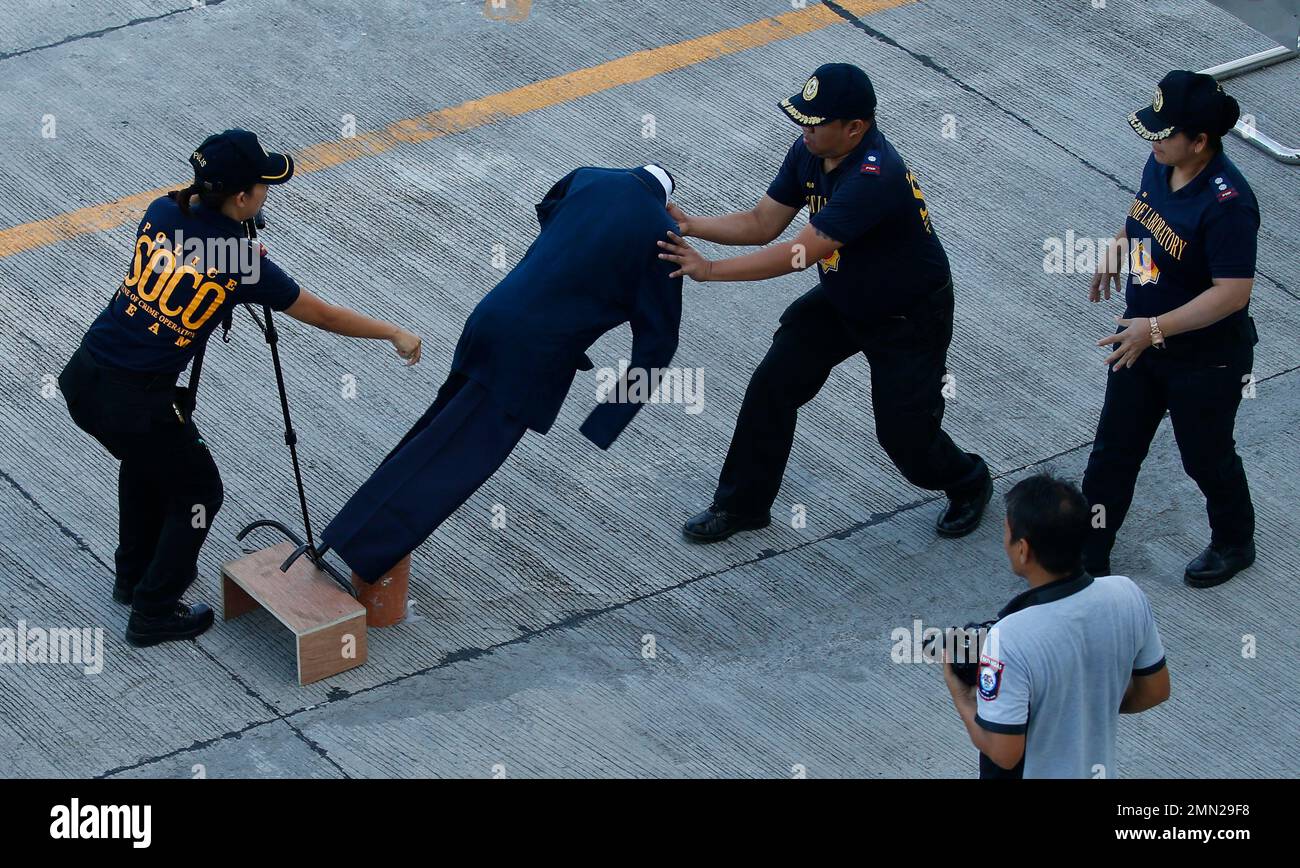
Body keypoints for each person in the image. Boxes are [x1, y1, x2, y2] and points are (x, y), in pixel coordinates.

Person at [59, 129, 423, 647]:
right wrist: (392, 331)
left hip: (86, 374)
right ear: (241, 197)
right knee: (200, 491)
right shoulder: (240, 261)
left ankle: (133, 576)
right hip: (135, 400)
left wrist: (238, 260)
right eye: (261, 186)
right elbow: (319, 314)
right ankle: (154, 610)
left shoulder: (162, 210)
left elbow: (198, 256)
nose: (266, 193)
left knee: (144, 461)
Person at [658, 63, 992, 543]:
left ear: (854, 128)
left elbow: (797, 254)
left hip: (906, 316)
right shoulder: (811, 150)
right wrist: (692, 226)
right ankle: (742, 506)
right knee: (773, 384)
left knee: (905, 439)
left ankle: (967, 480)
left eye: (815, 122)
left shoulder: (875, 177)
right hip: (843, 297)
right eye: (802, 119)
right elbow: (762, 222)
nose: (804, 129)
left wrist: (709, 270)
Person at [318, 164, 683, 587]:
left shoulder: (589, 176)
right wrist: (608, 419)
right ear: (667, 200)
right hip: (530, 357)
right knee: (453, 463)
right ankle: (361, 550)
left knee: (433, 436)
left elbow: (548, 209)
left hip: (490, 320)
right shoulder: (663, 236)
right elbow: (658, 342)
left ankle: (348, 536)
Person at [1083, 70, 1259, 588]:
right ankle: (1091, 552)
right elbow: (1145, 212)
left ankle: (1234, 541)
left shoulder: (1229, 205)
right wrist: (1121, 241)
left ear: (1200, 141)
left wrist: (1154, 328)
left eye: (1165, 133)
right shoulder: (1162, 162)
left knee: (1205, 458)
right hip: (1140, 341)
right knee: (1112, 453)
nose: (1153, 141)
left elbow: (1233, 292)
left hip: (1204, 359)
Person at [942, 474, 1170, 779]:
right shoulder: (1126, 594)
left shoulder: (1009, 637)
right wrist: (1087, 706)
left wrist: (962, 696)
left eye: (1007, 532)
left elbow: (1004, 753)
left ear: (1023, 549)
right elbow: (1155, 690)